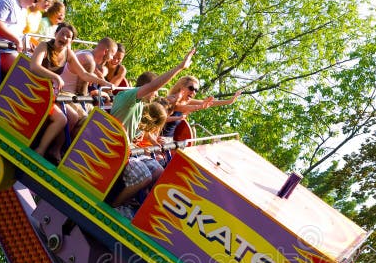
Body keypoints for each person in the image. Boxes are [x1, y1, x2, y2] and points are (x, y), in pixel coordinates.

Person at [106, 48, 197, 208]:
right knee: (145, 176)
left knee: (158, 171)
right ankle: (115, 206)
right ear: (147, 87)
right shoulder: (129, 97)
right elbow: (156, 86)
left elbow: (141, 132)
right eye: (154, 91)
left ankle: (134, 201)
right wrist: (179, 68)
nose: (155, 95)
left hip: (127, 148)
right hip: (115, 146)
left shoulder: (141, 106)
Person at [29, 22, 115, 162]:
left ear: (71, 41)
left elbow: (84, 74)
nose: (64, 37)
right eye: (62, 33)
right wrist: (55, 76)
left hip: (51, 93)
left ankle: (58, 151)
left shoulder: (68, 53)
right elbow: (34, 66)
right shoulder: (44, 46)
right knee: (64, 118)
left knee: (76, 117)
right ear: (56, 34)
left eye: (68, 36)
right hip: (37, 88)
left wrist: (104, 82)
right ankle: (41, 149)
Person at [160, 75, 242, 139]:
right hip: (158, 139)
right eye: (191, 88)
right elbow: (181, 108)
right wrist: (199, 107)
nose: (193, 92)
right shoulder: (171, 99)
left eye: (196, 90)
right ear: (182, 87)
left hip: (170, 141)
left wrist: (229, 101)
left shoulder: (187, 101)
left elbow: (210, 103)